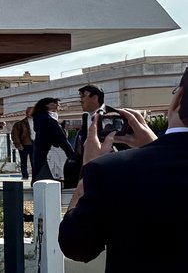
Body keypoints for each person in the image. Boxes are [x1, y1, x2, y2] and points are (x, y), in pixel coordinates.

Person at [58, 66, 188, 272]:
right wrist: (156, 148)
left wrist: (87, 172)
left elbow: (76, 246)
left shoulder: (111, 171)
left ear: (178, 98)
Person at [31, 96, 76, 182]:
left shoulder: (47, 115)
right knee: (40, 160)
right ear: (47, 105)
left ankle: (39, 178)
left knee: (39, 160)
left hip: (46, 140)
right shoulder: (43, 117)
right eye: (55, 104)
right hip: (45, 140)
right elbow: (46, 129)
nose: (57, 105)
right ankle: (39, 178)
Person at [75, 83, 106, 162]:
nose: (80, 100)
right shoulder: (85, 117)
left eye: (83, 96)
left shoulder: (110, 116)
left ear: (95, 98)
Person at [10, 106, 35, 180]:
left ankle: (36, 176)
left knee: (34, 161)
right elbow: (15, 134)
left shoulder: (39, 122)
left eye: (31, 112)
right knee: (23, 161)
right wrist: (18, 144)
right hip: (24, 144)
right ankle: (25, 176)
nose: (29, 113)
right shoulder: (20, 123)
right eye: (27, 112)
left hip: (35, 144)